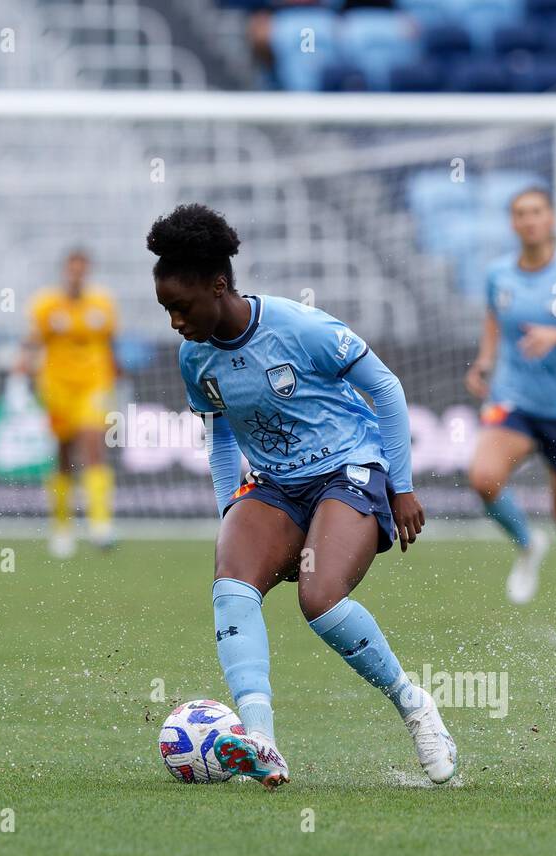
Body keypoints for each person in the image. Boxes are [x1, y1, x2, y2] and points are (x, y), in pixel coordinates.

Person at [149, 203, 456, 789]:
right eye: (166, 310)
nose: (174, 323)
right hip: (275, 486)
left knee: (319, 598)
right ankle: (260, 739)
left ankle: (415, 705)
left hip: (350, 470)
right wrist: (232, 517)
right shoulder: (195, 358)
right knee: (231, 582)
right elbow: (220, 444)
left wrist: (404, 485)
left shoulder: (301, 328)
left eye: (181, 307)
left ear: (219, 286)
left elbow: (386, 389)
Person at [465, 187, 556, 651]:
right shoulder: (499, 275)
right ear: (513, 224)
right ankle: (528, 544)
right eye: (520, 214)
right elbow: (494, 322)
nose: (529, 221)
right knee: (483, 478)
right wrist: (485, 362)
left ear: (551, 220)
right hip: (514, 402)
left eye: (537, 212)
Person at [16, 249, 120, 557]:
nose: (77, 276)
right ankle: (62, 527)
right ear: (65, 272)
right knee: (63, 454)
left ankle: (100, 525)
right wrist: (23, 364)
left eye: (82, 270)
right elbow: (33, 341)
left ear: (87, 272)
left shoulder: (102, 303)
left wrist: (118, 375)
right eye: (72, 270)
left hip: (94, 385)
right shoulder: (46, 304)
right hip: (57, 388)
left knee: (92, 445)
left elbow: (110, 342)